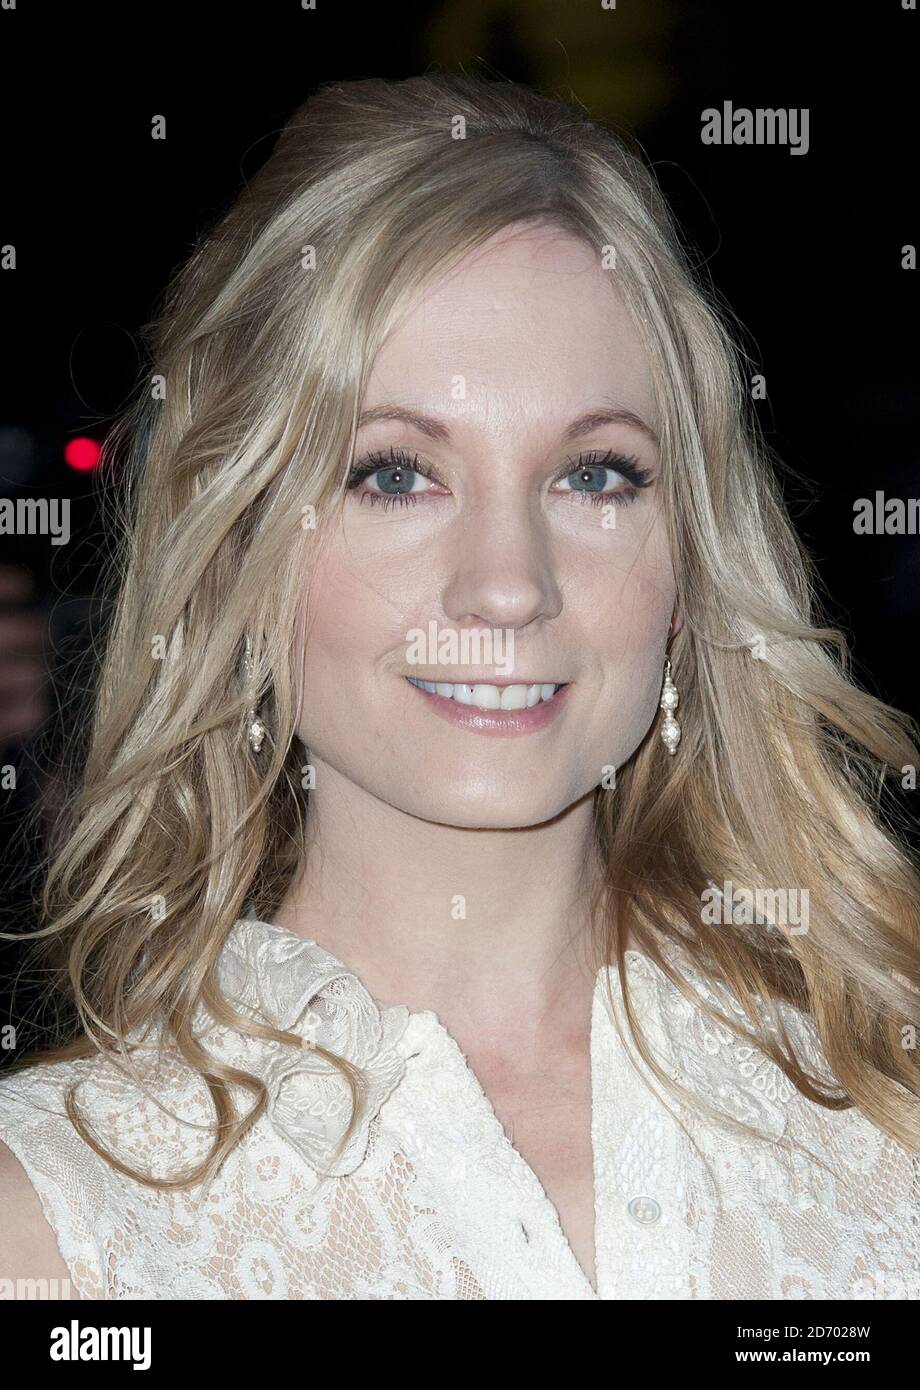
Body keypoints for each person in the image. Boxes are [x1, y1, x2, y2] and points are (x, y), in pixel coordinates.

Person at [0, 71, 918, 1301]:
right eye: (394, 473)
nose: (506, 587)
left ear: (691, 561)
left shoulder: (887, 1099)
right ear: (235, 547)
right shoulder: (62, 1215)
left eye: (594, 475)